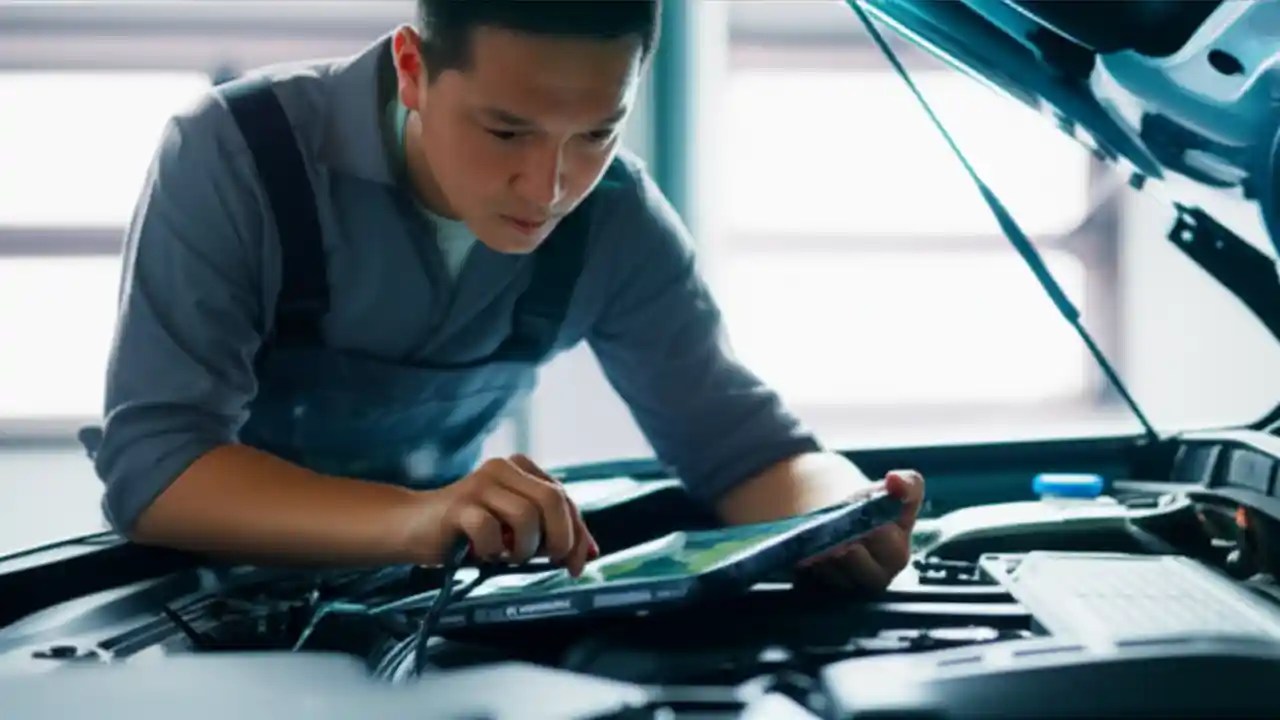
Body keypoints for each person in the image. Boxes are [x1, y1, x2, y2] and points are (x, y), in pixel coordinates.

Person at [91, 0, 924, 591]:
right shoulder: (234, 154)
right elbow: (159, 471)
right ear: (412, 69)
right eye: (505, 130)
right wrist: (422, 516)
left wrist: (843, 511)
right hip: (192, 614)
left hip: (424, 606)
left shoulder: (617, 220)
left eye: (597, 132)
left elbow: (746, 451)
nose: (552, 187)